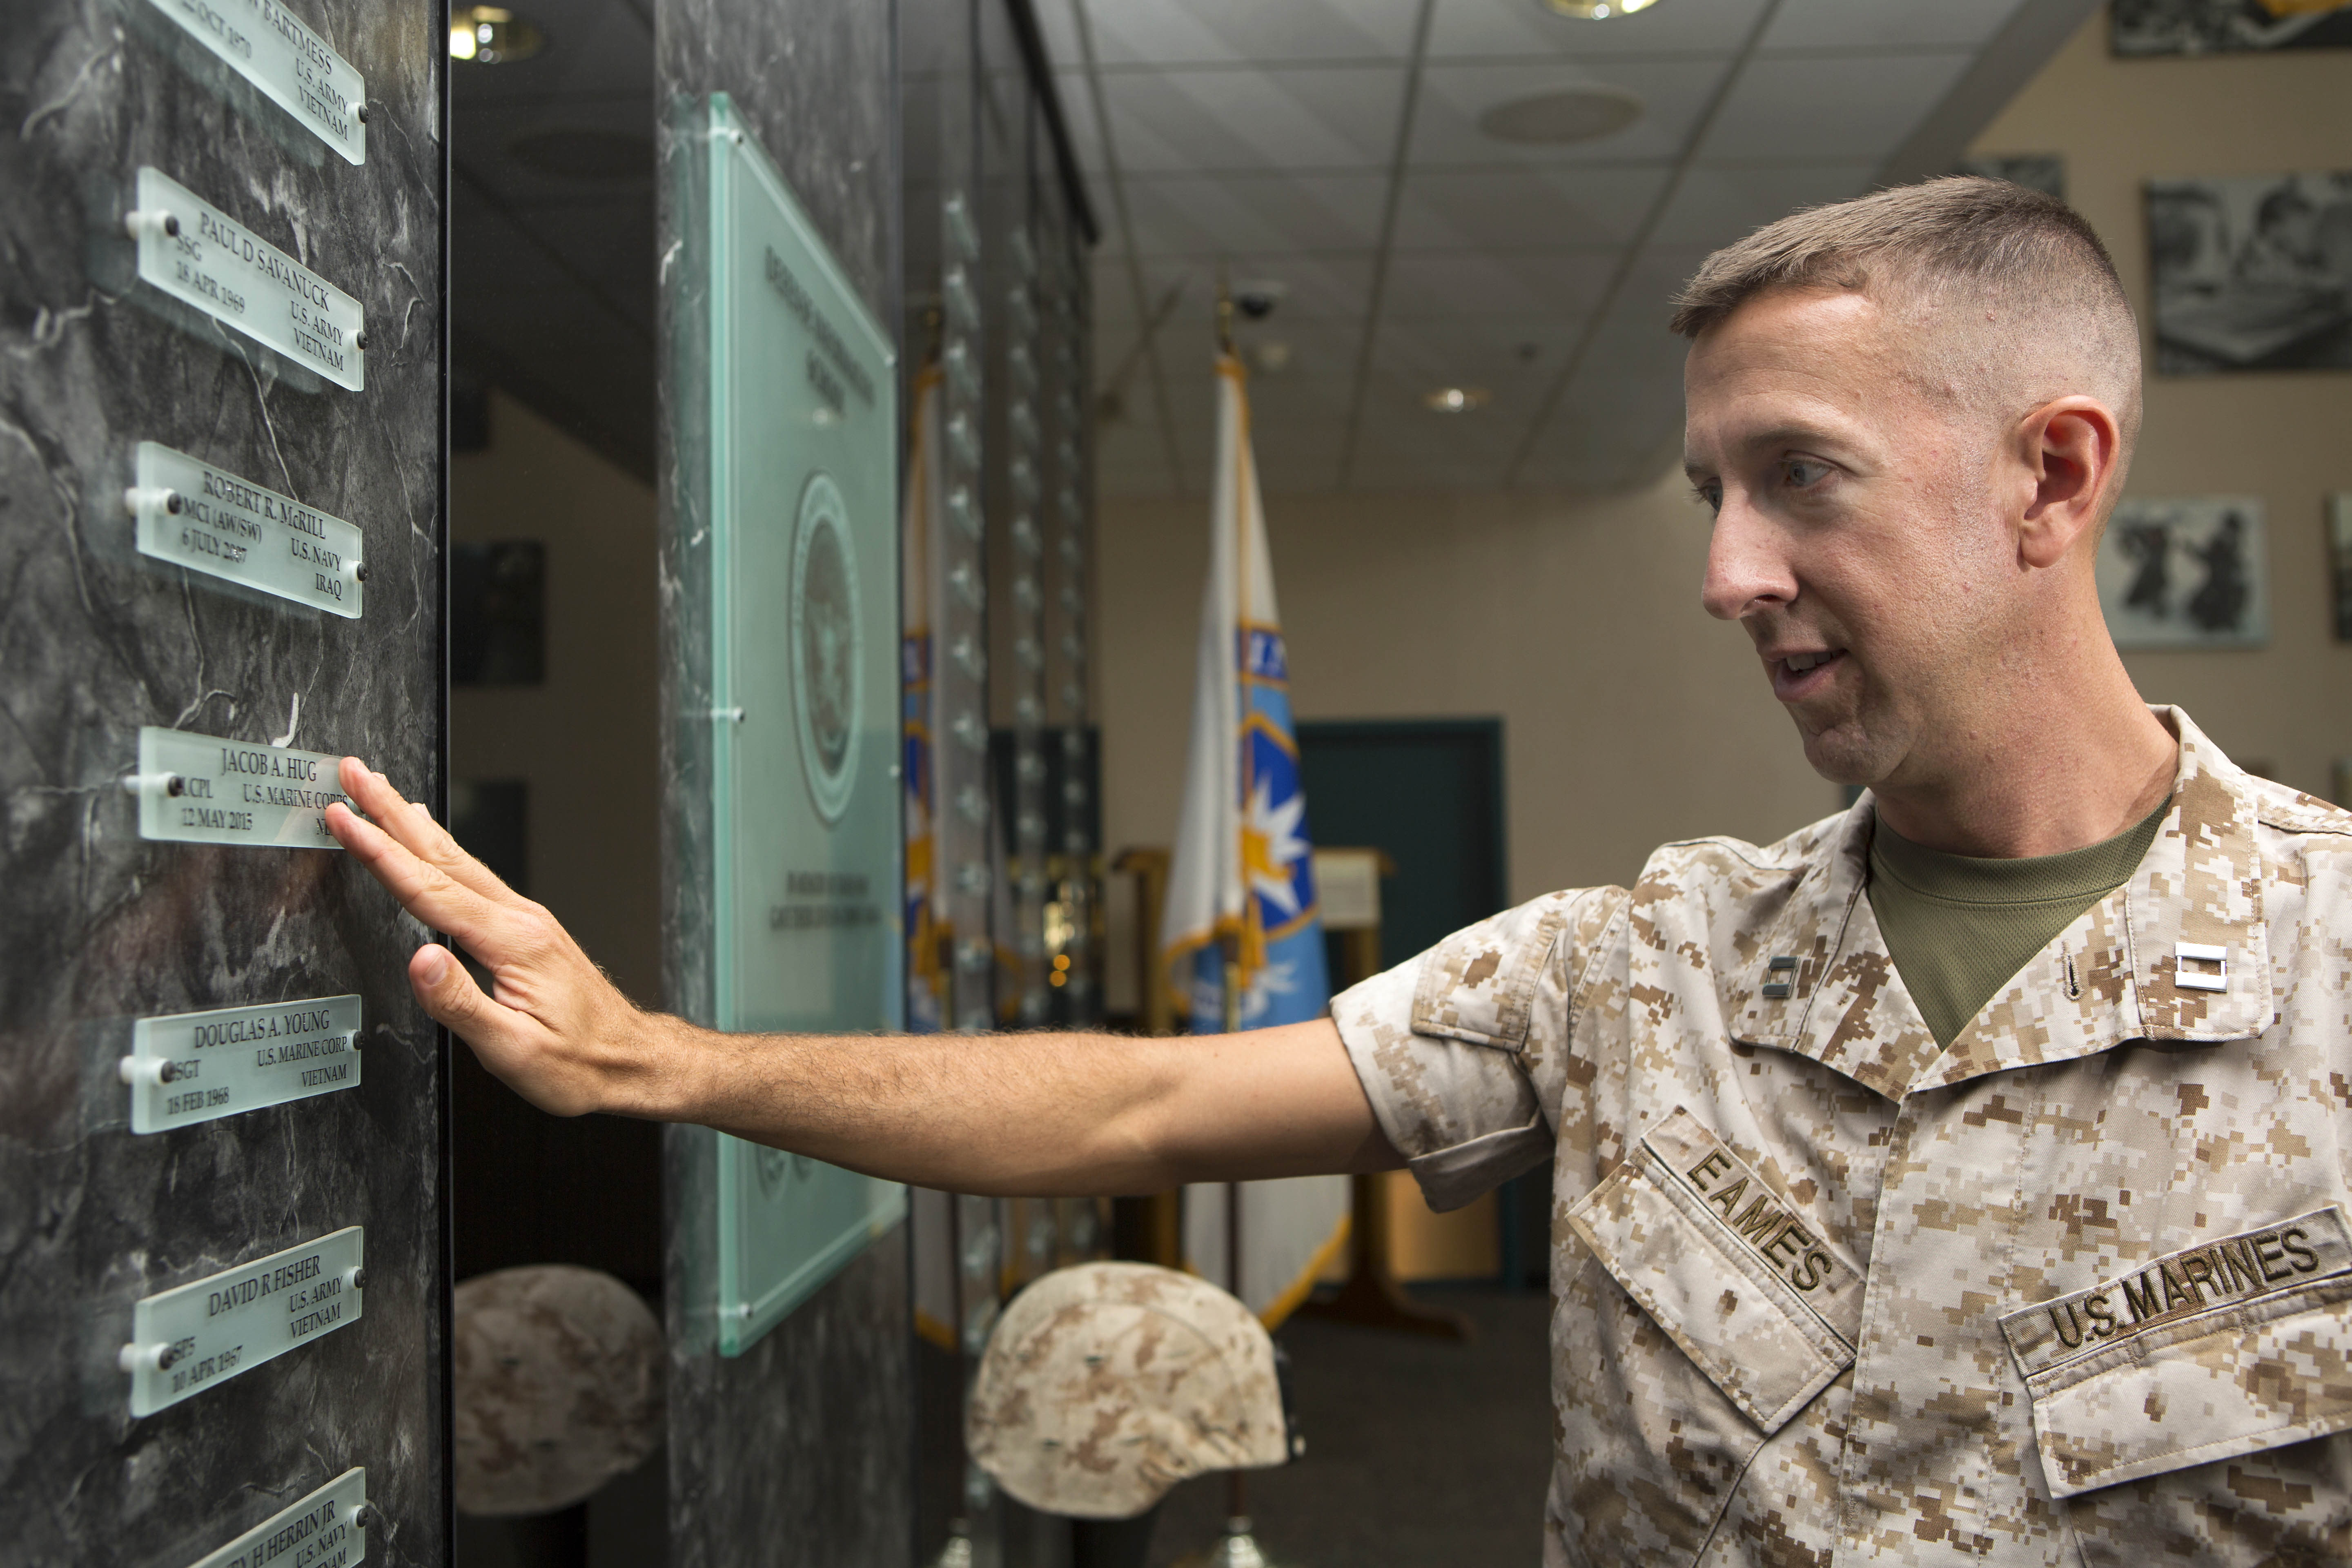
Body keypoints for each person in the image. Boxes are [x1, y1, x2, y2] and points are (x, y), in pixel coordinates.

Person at [327, 178, 2352, 1564]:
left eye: (1799, 476)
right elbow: (1138, 1093)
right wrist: (657, 1062)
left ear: (2055, 475)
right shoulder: (1639, 969)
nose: (1727, 572)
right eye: (1710, 493)